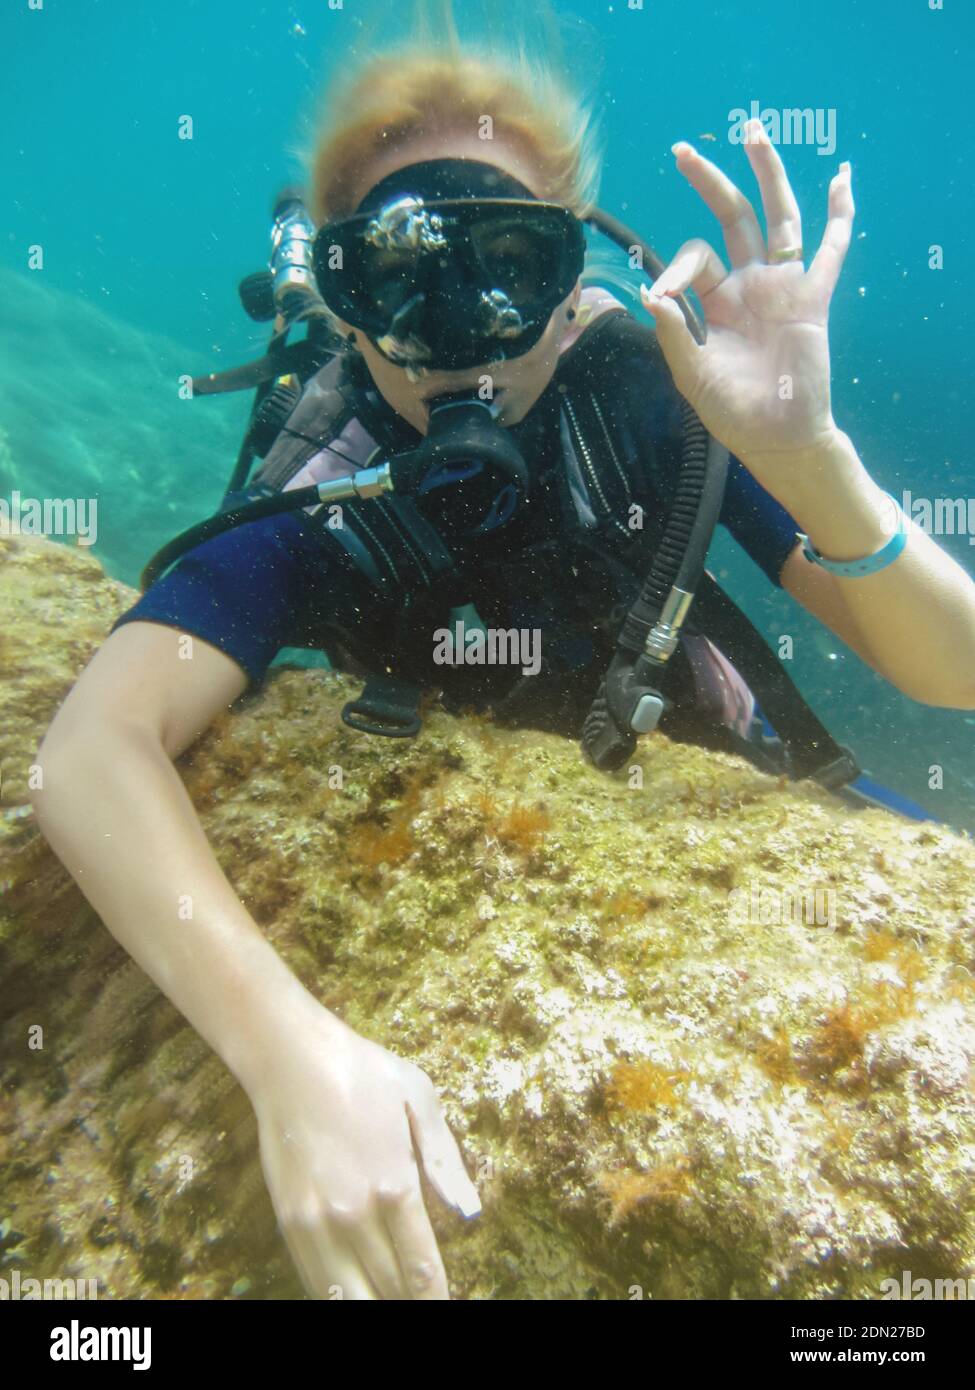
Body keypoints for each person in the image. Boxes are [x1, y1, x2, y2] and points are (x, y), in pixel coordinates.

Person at [30, 35, 975, 1303]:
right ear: (339, 294)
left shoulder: (660, 397)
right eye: (402, 281)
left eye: (510, 265)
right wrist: (290, 1056)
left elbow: (955, 674)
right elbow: (92, 751)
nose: (461, 336)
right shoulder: (330, 481)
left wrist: (812, 460)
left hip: (741, 768)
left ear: (573, 267)